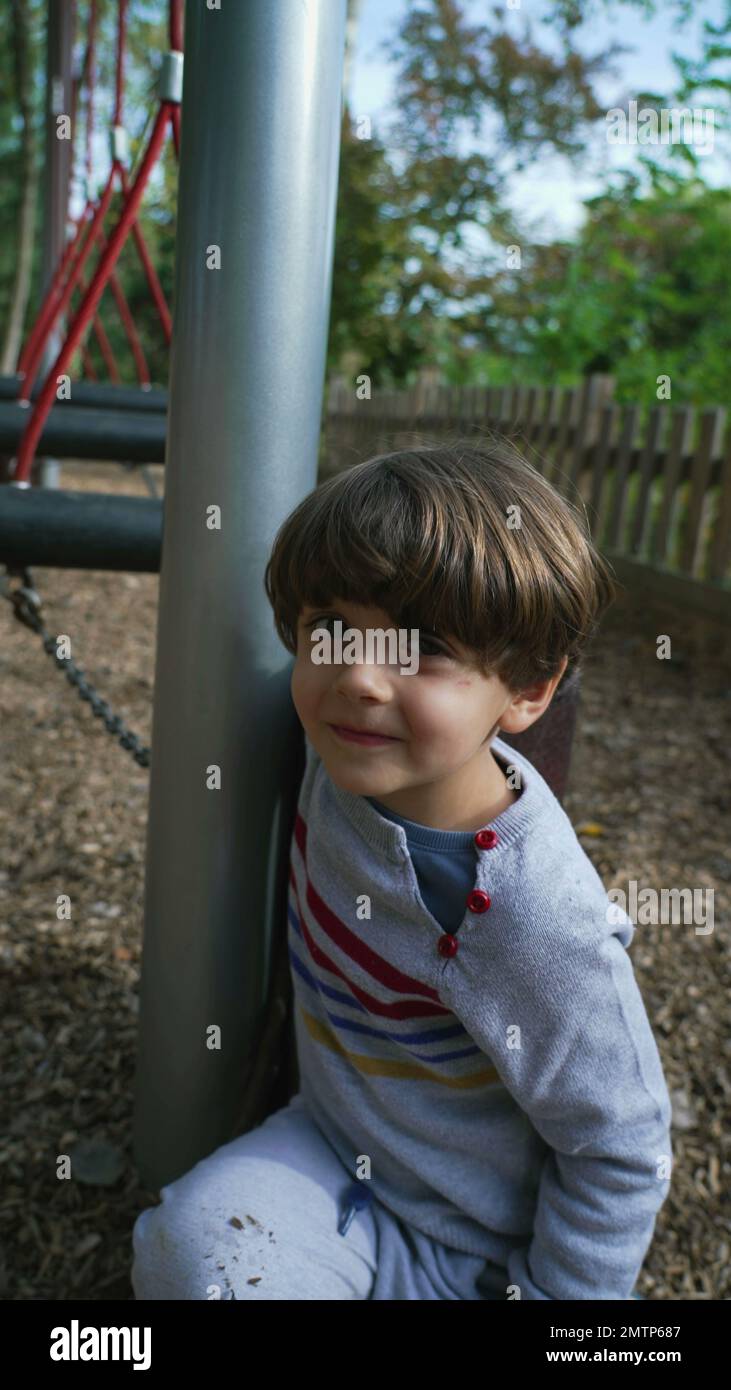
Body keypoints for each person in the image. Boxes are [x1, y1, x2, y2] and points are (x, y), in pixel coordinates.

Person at [131, 439, 672, 1300]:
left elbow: (619, 1145)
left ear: (529, 690)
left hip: (476, 1246)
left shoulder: (531, 914)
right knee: (191, 1258)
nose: (358, 679)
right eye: (329, 630)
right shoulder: (342, 758)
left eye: (422, 651)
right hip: (327, 1146)